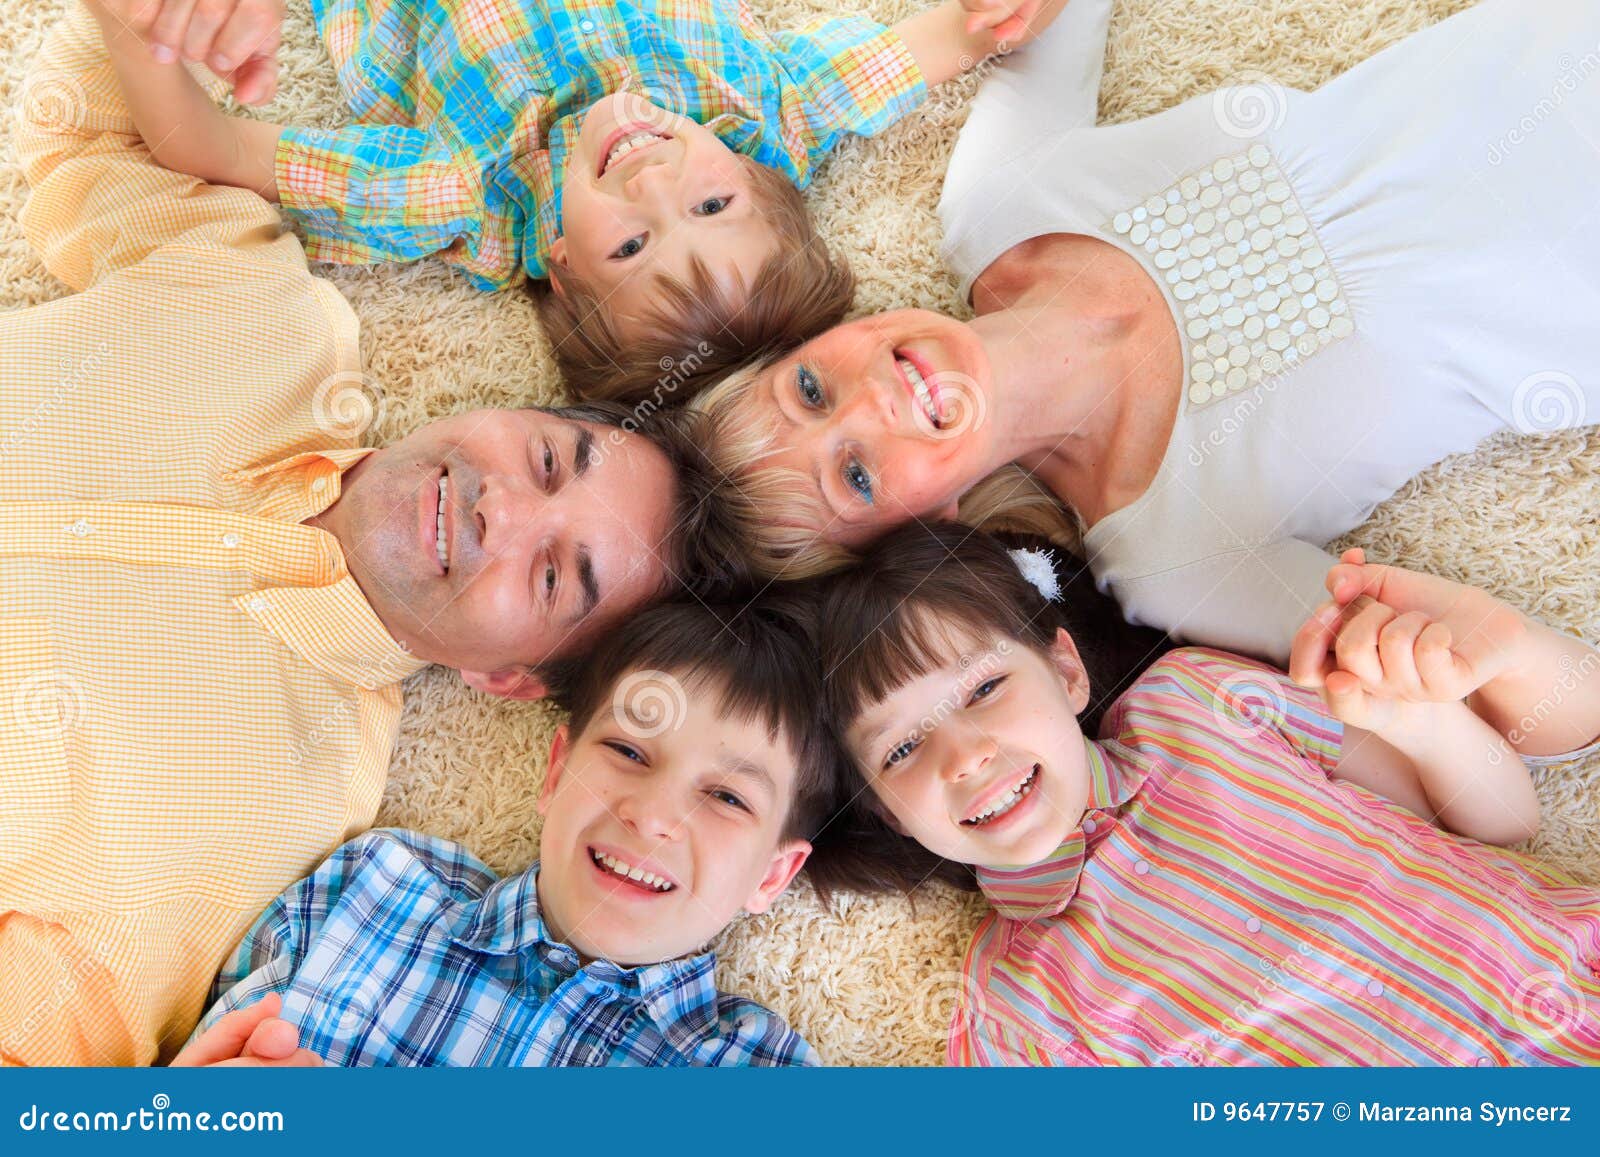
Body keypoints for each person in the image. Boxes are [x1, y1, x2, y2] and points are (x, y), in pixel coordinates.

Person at [0, 4, 739, 1066]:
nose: (503, 511)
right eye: (542, 459)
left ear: (516, 680)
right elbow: (93, 127)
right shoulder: (261, 314)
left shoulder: (258, 827)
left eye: (549, 573)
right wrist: (163, 22)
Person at [692, 0, 1600, 665]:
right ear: (924, 528)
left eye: (810, 388)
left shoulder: (995, 207)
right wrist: (1417, 657)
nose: (871, 402)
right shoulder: (1175, 555)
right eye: (855, 472)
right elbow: (1532, 689)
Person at [813, 523, 1600, 1064]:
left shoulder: (1198, 704)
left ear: (1065, 670)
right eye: (905, 746)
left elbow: (1504, 825)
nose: (967, 755)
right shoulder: (1013, 1015)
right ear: (886, 808)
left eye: (984, 687)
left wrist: (1418, 722)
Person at [108, 0, 1069, 404]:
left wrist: (131, 26)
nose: (655, 181)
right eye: (713, 202)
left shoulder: (464, 191)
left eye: (630, 247)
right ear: (761, 175)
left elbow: (209, 146)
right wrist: (990, 18)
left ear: (560, 269)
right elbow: (943, 38)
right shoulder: (762, 114)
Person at [178, 599, 840, 1066]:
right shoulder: (373, 887)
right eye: (629, 752)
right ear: (556, 772)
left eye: (726, 796)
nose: (653, 814)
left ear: (772, 875)